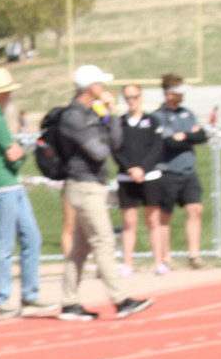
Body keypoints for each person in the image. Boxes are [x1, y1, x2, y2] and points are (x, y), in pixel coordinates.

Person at [56, 66, 152, 321]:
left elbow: (116, 142)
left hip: (93, 185)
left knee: (80, 249)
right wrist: (105, 129)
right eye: (100, 83)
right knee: (104, 241)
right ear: (90, 86)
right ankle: (120, 299)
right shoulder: (73, 116)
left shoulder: (93, 112)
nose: (104, 88)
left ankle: (69, 302)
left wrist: (110, 114)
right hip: (83, 186)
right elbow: (98, 152)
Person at [0, 67, 45, 313]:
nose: (9, 96)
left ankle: (29, 295)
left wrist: (18, 154)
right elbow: (13, 155)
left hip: (10, 184)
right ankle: (1, 299)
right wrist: (20, 154)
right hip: (1, 186)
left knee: (31, 237)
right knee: (4, 243)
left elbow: (15, 153)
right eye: (6, 92)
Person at [150, 73, 210, 271]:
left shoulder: (187, 113)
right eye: (177, 92)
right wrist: (189, 137)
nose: (181, 96)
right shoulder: (159, 116)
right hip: (168, 171)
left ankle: (194, 255)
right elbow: (169, 142)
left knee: (195, 209)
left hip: (188, 170)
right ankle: (166, 256)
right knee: (165, 215)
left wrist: (184, 136)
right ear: (168, 93)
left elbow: (201, 136)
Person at [112, 83, 163, 276]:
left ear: (140, 97)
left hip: (150, 176)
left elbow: (157, 147)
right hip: (127, 177)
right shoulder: (120, 123)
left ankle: (159, 262)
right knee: (129, 222)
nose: (131, 101)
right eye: (127, 98)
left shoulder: (152, 121)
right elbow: (115, 148)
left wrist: (143, 169)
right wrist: (130, 169)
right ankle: (127, 264)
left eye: (134, 97)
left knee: (153, 220)